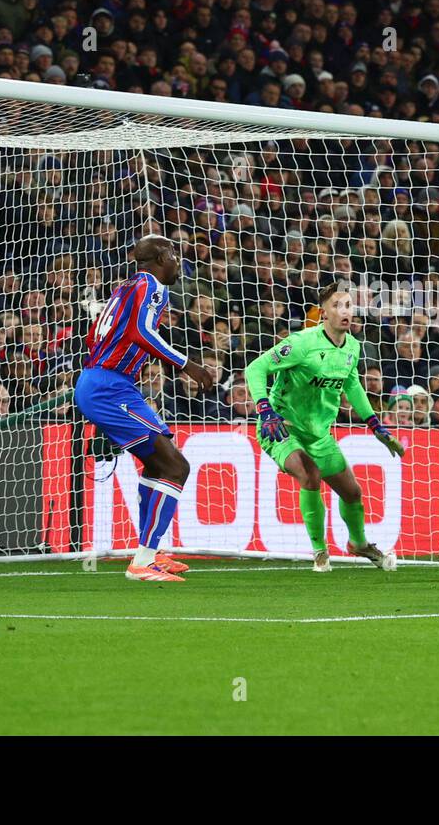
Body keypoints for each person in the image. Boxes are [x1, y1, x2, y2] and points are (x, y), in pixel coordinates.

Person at [73, 235, 216, 584]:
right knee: (176, 465)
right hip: (108, 387)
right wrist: (188, 365)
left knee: (159, 464)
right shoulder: (152, 285)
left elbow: (101, 336)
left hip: (107, 383)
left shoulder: (128, 287)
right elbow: (140, 332)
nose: (178, 263)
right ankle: (142, 561)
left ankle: (149, 553)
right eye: (175, 255)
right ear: (162, 257)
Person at [244, 282, 403, 573]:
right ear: (323, 314)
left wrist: (375, 425)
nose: (345, 311)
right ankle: (320, 551)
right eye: (337, 305)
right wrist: (265, 410)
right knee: (310, 475)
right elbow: (255, 368)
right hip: (282, 427)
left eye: (348, 305)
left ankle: (359, 544)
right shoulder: (302, 343)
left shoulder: (352, 347)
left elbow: (352, 385)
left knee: (352, 492)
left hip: (319, 434)